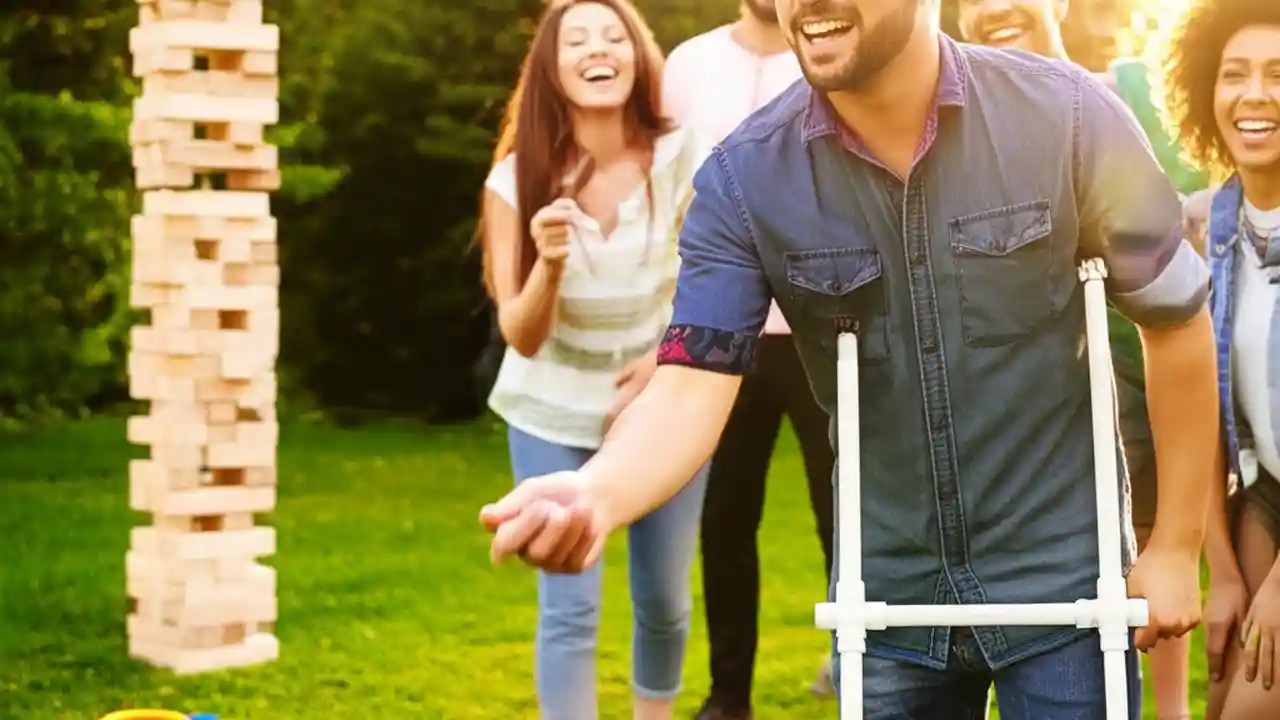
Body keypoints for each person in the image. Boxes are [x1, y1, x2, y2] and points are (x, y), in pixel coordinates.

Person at [480, 0, 1219, 717]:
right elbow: (687, 386)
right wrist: (595, 493)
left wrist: (1177, 544)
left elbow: (1176, 319)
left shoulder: (1066, 115)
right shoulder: (743, 180)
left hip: (1063, 578)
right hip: (888, 589)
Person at [953, 1, 1202, 716]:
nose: (994, 8)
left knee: (1159, 538)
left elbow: (1207, 183)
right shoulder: (971, 122)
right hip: (1059, 377)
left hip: (1152, 356)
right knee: (1111, 548)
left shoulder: (1129, 94)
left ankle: (1174, 707)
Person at [477, 1, 711, 717]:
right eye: (575, 39)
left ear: (637, 57)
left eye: (614, 36)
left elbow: (712, 276)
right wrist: (548, 263)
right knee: (570, 609)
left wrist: (660, 365)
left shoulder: (679, 155)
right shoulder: (516, 180)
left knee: (665, 600)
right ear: (550, 67)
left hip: (659, 406)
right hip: (550, 408)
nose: (596, 49)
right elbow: (519, 331)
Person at [660, 3, 837, 716]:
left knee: (844, 512)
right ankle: (727, 693)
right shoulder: (688, 67)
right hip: (719, 336)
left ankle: (859, 666)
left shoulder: (829, 49)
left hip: (823, 327)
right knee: (726, 518)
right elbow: (667, 195)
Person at [1166, 1, 1280, 717]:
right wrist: (1227, 571)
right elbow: (1196, 402)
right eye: (1234, 74)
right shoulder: (1213, 226)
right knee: (1220, 697)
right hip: (1265, 496)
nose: (1253, 94)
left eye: (1278, 74)